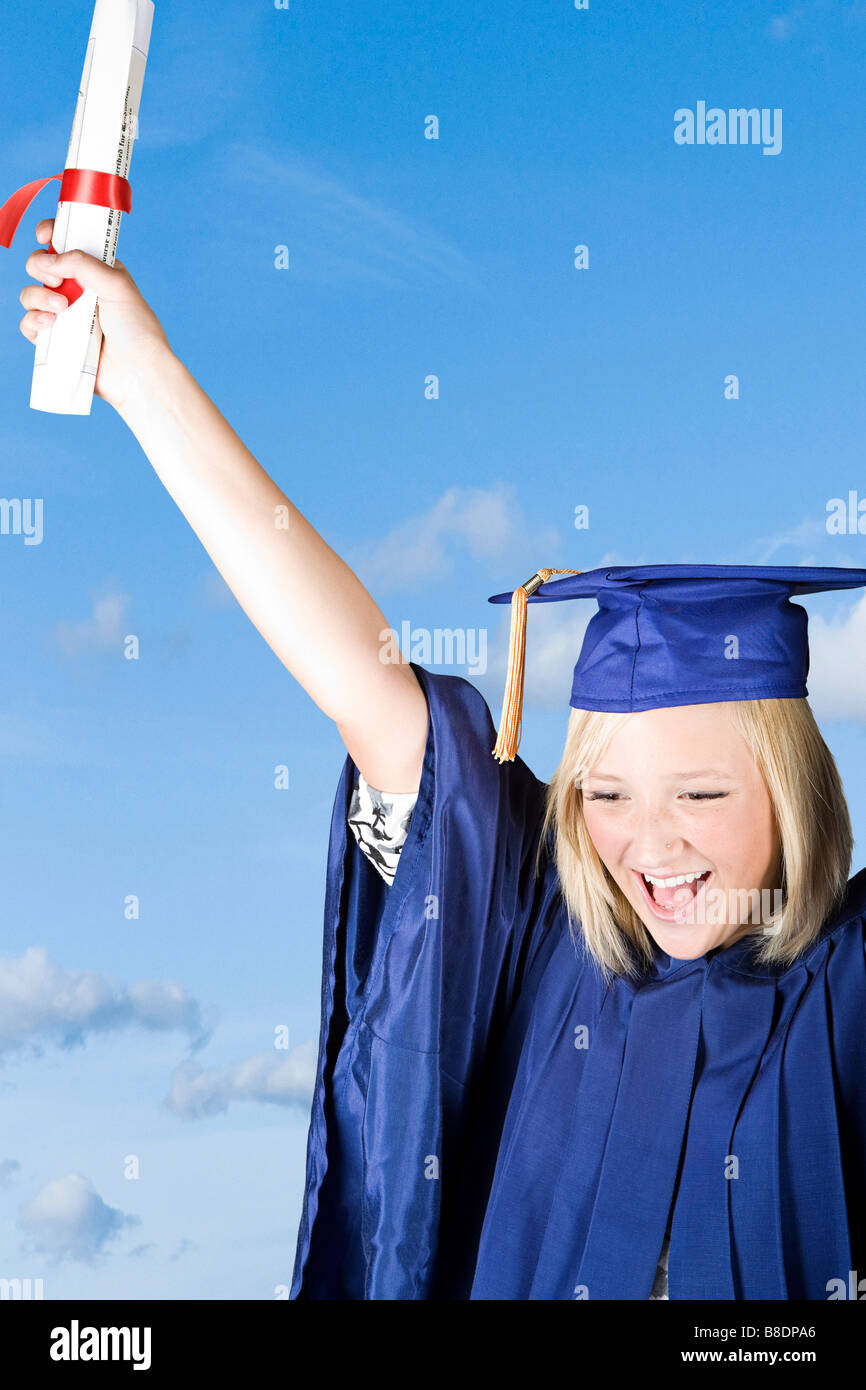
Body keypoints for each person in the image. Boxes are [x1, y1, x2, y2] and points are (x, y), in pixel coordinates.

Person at [16, 234, 866, 1301]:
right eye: (603, 794)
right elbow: (366, 688)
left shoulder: (843, 991)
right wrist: (141, 374)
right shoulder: (537, 934)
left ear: (788, 786)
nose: (649, 844)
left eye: (698, 793)